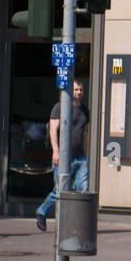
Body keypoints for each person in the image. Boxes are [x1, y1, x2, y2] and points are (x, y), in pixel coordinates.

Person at [36, 80, 89, 231]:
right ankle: (41, 212)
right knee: (60, 190)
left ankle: (79, 224)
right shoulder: (60, 107)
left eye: (81, 89)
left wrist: (85, 152)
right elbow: (53, 130)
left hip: (80, 157)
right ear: (70, 91)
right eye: (76, 89)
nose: (79, 92)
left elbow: (84, 132)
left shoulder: (85, 110)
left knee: (83, 190)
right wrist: (56, 151)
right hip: (63, 158)